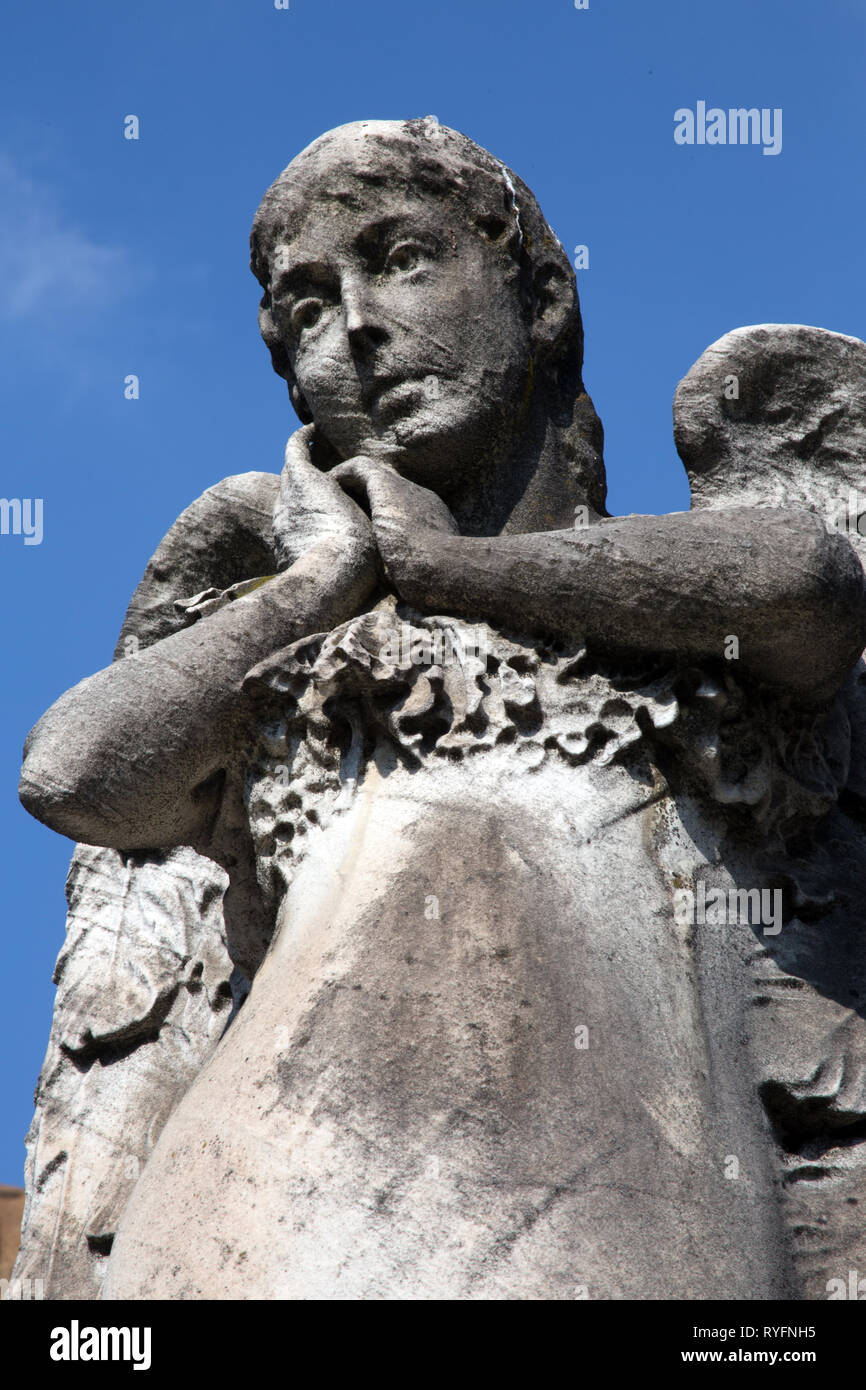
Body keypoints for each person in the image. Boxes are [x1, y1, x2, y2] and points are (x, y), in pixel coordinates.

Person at [20, 120, 866, 1300]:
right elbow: (71, 771)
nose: (357, 322)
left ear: (544, 298)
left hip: (618, 1206)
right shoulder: (306, 640)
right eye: (308, 309)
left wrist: (456, 572)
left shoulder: (685, 603)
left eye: (402, 258)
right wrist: (323, 577)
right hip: (237, 1227)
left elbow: (810, 585)